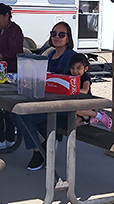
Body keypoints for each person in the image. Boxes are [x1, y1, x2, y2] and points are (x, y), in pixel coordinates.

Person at [19, 22, 77, 170]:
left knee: (25, 116)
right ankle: (43, 142)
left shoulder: (72, 57)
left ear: (68, 38)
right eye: (53, 34)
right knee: (15, 111)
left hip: (64, 106)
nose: (57, 37)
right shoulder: (50, 55)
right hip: (46, 101)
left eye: (61, 34)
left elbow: (81, 80)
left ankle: (39, 150)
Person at [0, 3, 24, 149]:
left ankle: (3, 138)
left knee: (1, 106)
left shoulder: (14, 30)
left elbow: (15, 51)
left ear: (7, 15)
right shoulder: (1, 30)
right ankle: (6, 137)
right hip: (1, 72)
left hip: (12, 72)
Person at [69, 52, 113, 129]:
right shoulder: (71, 77)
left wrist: (71, 90)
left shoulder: (85, 77)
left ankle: (98, 115)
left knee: (74, 110)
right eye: (72, 68)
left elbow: (85, 90)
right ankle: (88, 121)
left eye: (78, 68)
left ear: (85, 69)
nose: (75, 71)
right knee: (72, 125)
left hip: (86, 104)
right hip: (77, 104)